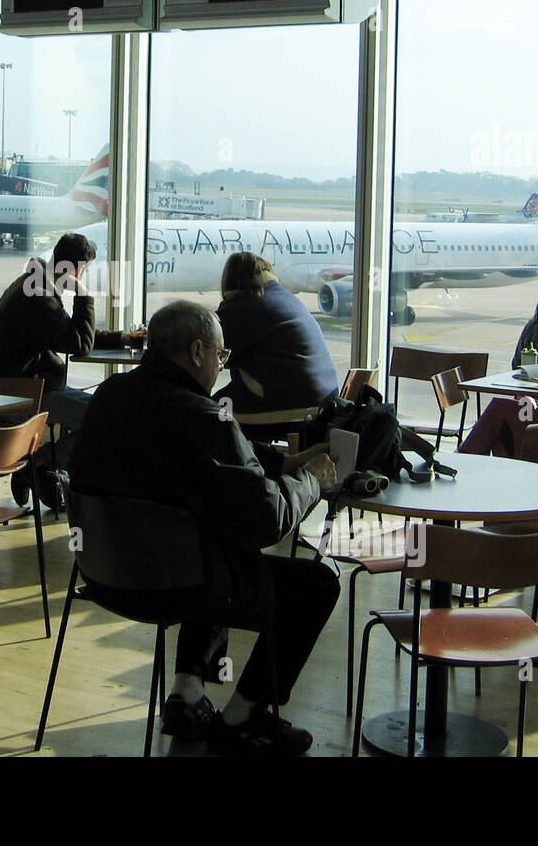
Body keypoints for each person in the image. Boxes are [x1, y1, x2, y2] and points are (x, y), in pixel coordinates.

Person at [67, 300, 340, 755]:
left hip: (104, 576)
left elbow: (190, 462)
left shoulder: (109, 397)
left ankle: (188, 694)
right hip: (179, 585)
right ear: (197, 352)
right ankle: (244, 716)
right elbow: (268, 520)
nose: (221, 364)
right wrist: (311, 479)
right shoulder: (204, 417)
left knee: (203, 537)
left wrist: (279, 462)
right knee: (315, 583)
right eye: (221, 355)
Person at [0, 232, 122, 502]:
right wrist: (83, 294)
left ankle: (44, 469)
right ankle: (39, 465)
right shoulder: (39, 298)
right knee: (104, 421)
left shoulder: (34, 285)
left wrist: (120, 338)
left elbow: (71, 333)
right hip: (21, 393)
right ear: (79, 270)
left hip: (21, 384)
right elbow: (80, 343)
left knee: (102, 415)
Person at [214, 252, 338, 436]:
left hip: (285, 406)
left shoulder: (244, 306)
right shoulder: (285, 298)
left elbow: (214, 355)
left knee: (207, 411)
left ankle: (243, 460)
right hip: (323, 402)